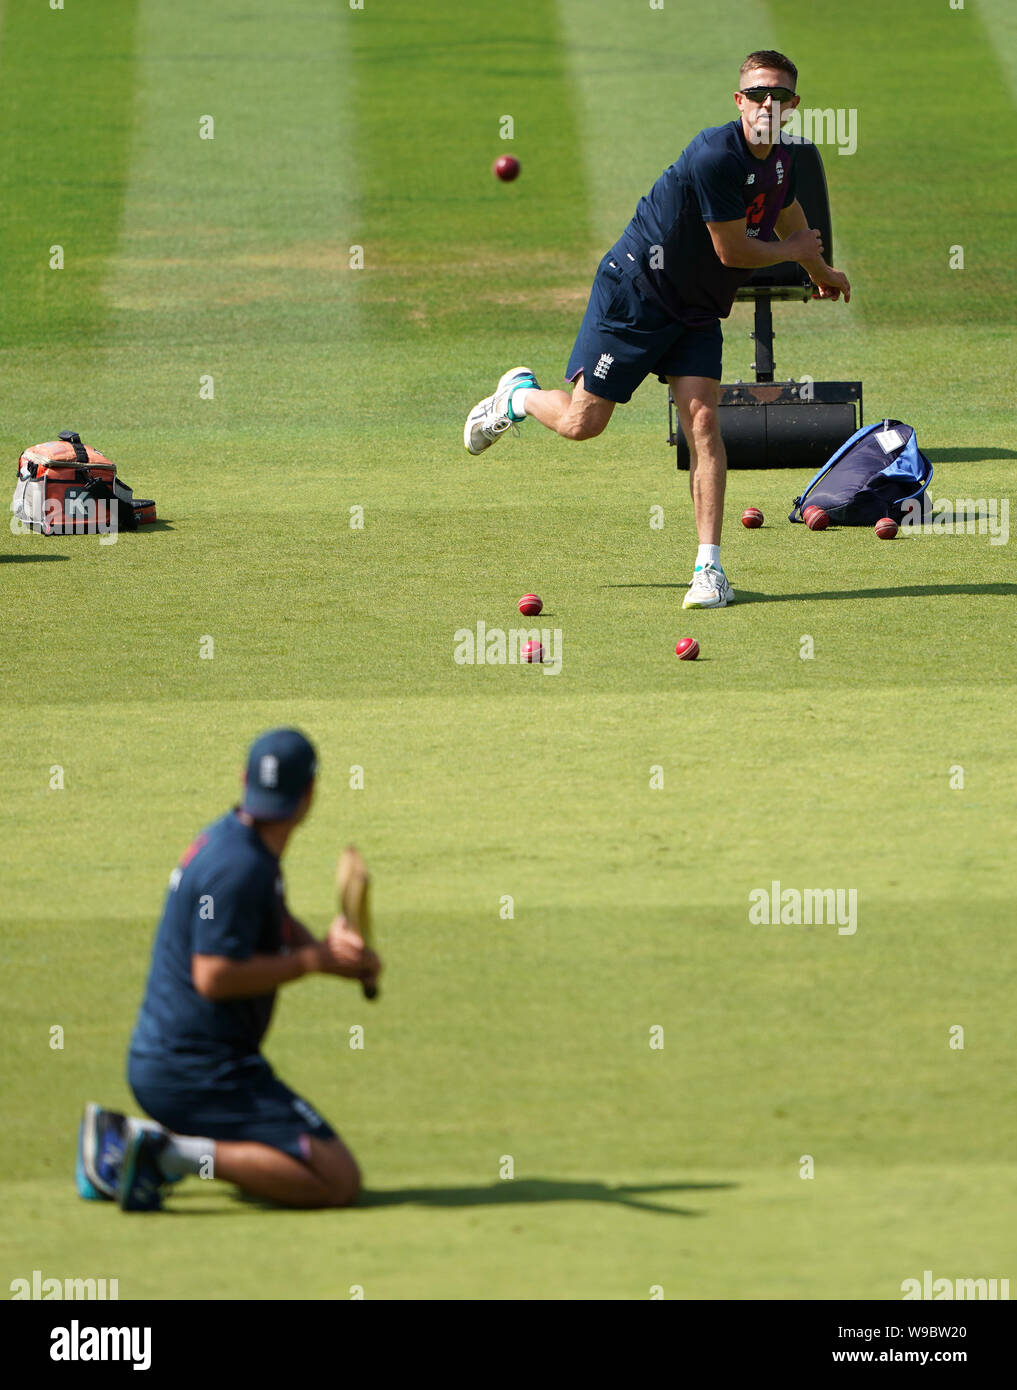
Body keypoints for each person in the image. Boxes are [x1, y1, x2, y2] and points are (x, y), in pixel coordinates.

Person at [463, 50, 851, 610]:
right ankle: (517, 397)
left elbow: (787, 209)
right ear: (739, 101)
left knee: (702, 421)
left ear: (794, 106)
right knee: (581, 424)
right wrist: (793, 252)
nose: (770, 104)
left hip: (696, 308)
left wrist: (821, 270)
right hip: (636, 293)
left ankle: (709, 569)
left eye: (781, 96)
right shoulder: (716, 153)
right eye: (759, 94)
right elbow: (733, 248)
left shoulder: (783, 158)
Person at [75, 727, 381, 1211]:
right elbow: (213, 976)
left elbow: (270, 919)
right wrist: (310, 961)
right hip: (200, 1073)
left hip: (174, 1060)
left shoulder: (233, 840)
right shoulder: (242, 867)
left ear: (243, 781)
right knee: (336, 1179)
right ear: (309, 794)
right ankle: (162, 1152)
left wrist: (329, 954)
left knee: (279, 1169)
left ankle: (119, 1139)